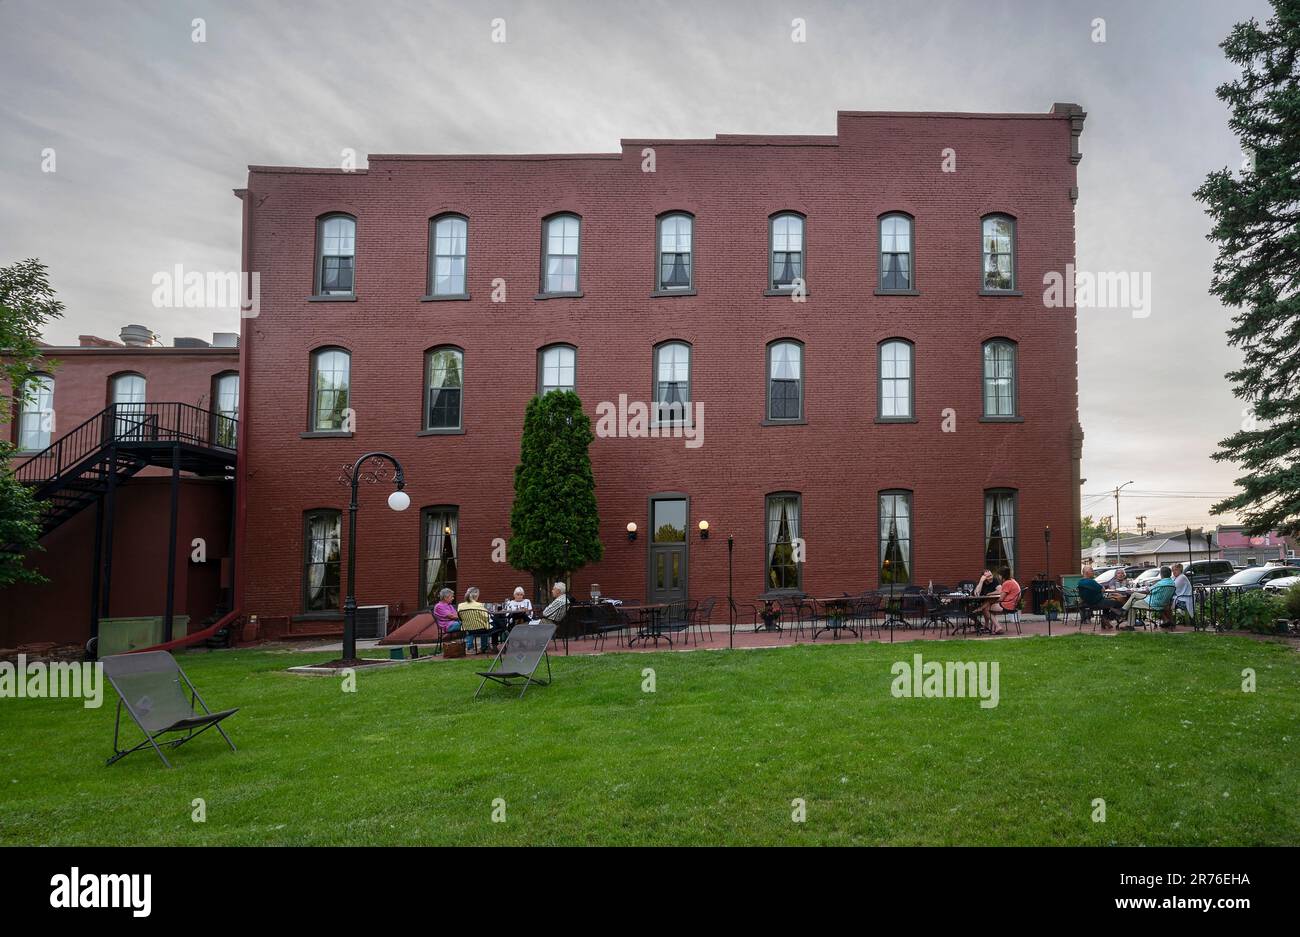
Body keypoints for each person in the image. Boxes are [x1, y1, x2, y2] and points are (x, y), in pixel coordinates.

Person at [457, 586, 492, 653]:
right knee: (487, 627)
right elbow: (486, 617)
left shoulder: (460, 605)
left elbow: (460, 617)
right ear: (476, 596)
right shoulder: (479, 605)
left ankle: (470, 648)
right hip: (480, 628)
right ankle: (484, 647)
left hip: (467, 628)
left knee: (470, 630)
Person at [989, 566, 1021, 634]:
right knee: (992, 607)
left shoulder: (1007, 583)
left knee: (987, 608)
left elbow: (1001, 598)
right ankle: (996, 627)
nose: (998, 576)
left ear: (1002, 575)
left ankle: (998, 627)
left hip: (1008, 605)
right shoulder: (1012, 581)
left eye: (999, 575)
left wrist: (992, 601)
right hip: (1013, 604)